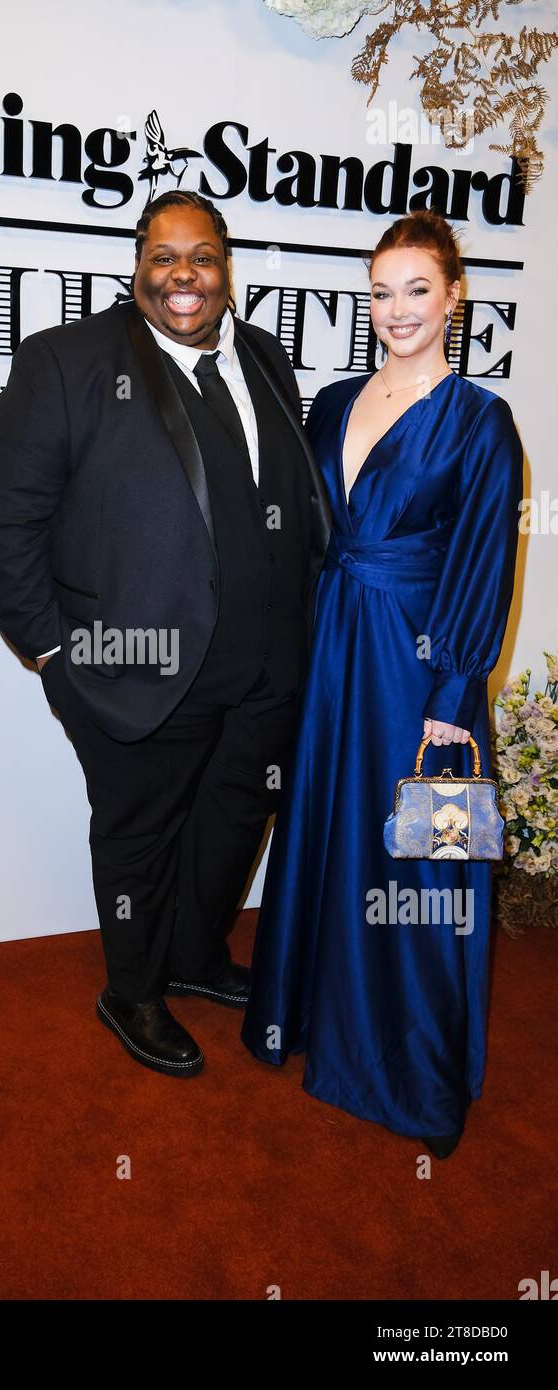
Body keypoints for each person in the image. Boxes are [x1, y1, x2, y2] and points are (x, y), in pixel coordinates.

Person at [0, 191, 331, 1077]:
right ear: (138, 265)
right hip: (135, 667)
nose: (183, 276)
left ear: (225, 266)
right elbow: (3, 510)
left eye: (201, 256)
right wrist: (47, 647)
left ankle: (195, 956)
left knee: (232, 821)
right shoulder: (70, 360)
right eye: (164, 256)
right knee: (140, 831)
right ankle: (130, 989)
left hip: (267, 664)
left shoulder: (266, 358)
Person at [241, 208, 524, 1158]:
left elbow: (485, 563)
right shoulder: (330, 402)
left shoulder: (483, 421)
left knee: (425, 864)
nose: (396, 310)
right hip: (335, 657)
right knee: (329, 831)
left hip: (425, 670)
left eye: (416, 289)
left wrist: (452, 702)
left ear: (454, 296)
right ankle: (311, 1019)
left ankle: (410, 1065)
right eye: (379, 291)